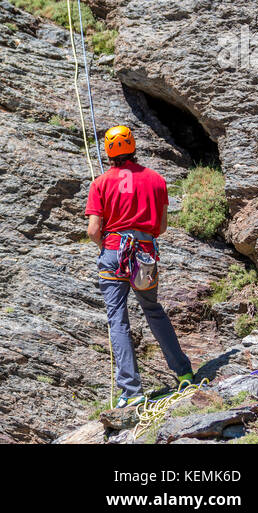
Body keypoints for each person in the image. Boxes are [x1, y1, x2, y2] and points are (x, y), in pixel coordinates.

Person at [85, 124, 193, 408]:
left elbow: (93, 229)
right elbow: (162, 226)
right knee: (153, 310)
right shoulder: (156, 180)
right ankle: (184, 373)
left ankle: (131, 391)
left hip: (112, 254)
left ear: (108, 151)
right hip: (144, 254)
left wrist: (108, 247)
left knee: (117, 321)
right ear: (133, 146)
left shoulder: (100, 183)